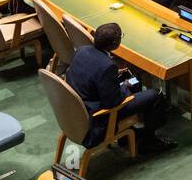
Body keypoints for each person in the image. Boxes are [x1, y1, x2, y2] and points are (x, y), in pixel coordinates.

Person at [65, 23, 174, 153]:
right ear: (115, 44)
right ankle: (149, 141)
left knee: (135, 83)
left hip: (85, 104)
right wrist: (124, 86)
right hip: (101, 116)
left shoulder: (82, 50)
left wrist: (117, 83)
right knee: (155, 95)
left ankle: (127, 134)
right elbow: (112, 103)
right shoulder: (107, 66)